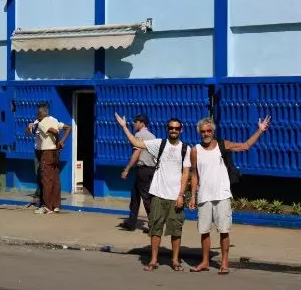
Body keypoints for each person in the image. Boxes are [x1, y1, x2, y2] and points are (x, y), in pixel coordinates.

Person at [189, 115, 270, 275]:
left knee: (224, 230)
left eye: (209, 130)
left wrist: (260, 130)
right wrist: (192, 196)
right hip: (204, 196)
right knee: (204, 231)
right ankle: (205, 261)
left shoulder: (222, 145)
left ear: (213, 131)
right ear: (199, 132)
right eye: (203, 131)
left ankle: (224, 263)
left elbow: (245, 146)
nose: (206, 134)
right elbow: (194, 175)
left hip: (222, 195)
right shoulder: (195, 150)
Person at [115, 112, 190, 272]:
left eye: (176, 128)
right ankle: (154, 260)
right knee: (155, 230)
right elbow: (136, 142)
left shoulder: (186, 149)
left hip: (175, 197)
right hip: (158, 194)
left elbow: (185, 174)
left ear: (181, 130)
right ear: (167, 129)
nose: (174, 130)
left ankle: (175, 260)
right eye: (171, 128)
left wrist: (181, 195)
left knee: (176, 230)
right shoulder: (159, 144)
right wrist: (124, 127)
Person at [119, 113, 156, 233]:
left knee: (146, 198)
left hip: (143, 170)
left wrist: (127, 169)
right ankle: (131, 222)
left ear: (142, 123)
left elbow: (137, 153)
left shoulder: (139, 135)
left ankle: (154, 226)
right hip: (151, 169)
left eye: (136, 122)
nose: (134, 124)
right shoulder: (152, 136)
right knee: (135, 195)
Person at [34, 104, 71, 214]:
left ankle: (47, 206)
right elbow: (68, 128)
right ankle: (56, 206)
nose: (37, 116)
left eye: (38, 114)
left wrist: (58, 140)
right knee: (55, 179)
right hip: (55, 153)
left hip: (47, 153)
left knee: (46, 179)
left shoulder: (42, 123)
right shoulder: (54, 120)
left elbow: (54, 132)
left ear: (42, 114)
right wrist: (61, 142)